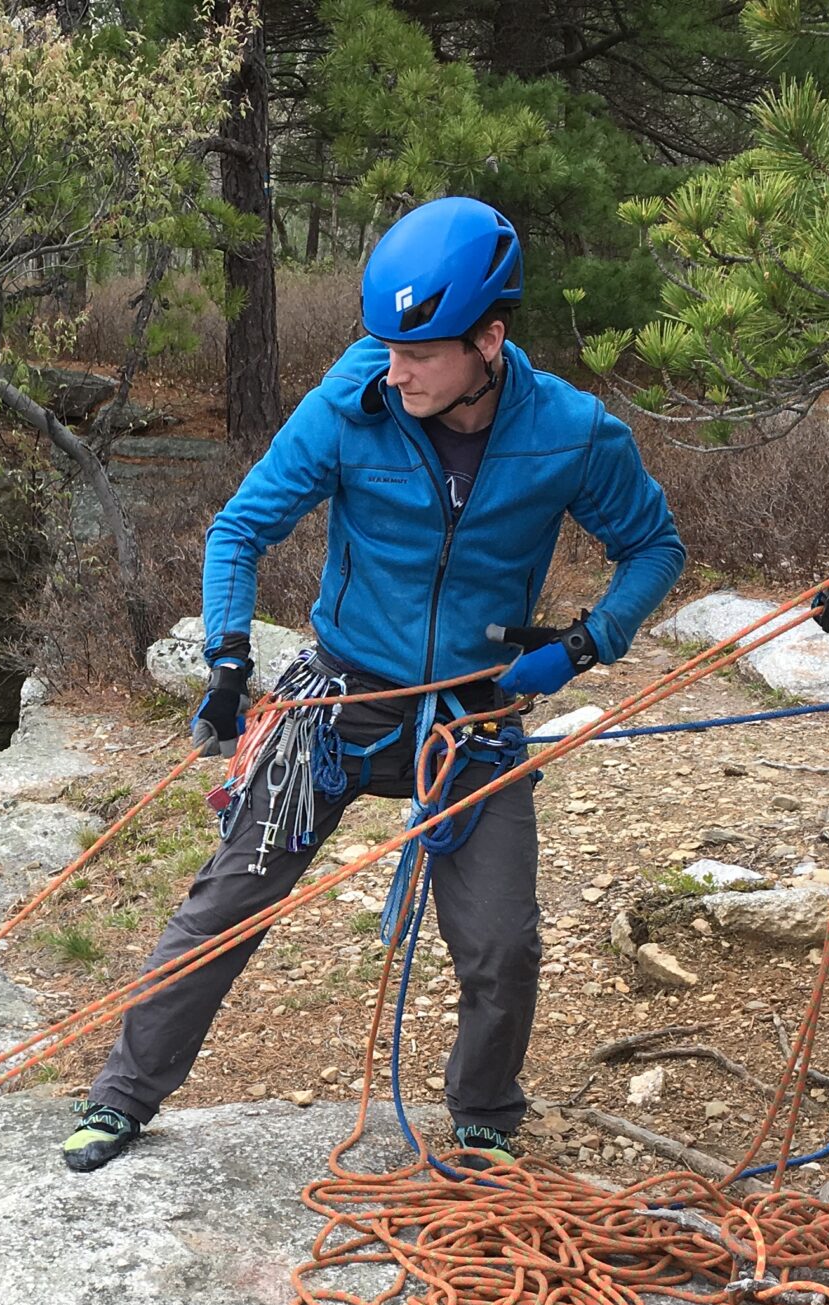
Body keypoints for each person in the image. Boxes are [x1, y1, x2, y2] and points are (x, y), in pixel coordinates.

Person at [62, 195, 686, 1175]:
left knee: (500, 946)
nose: (394, 370)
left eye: (420, 351)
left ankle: (482, 1114)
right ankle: (122, 1097)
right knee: (225, 900)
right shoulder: (352, 404)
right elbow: (240, 529)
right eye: (385, 346)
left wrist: (578, 649)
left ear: (489, 337)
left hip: (473, 714)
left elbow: (652, 547)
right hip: (337, 695)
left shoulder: (570, 432)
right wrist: (229, 660)